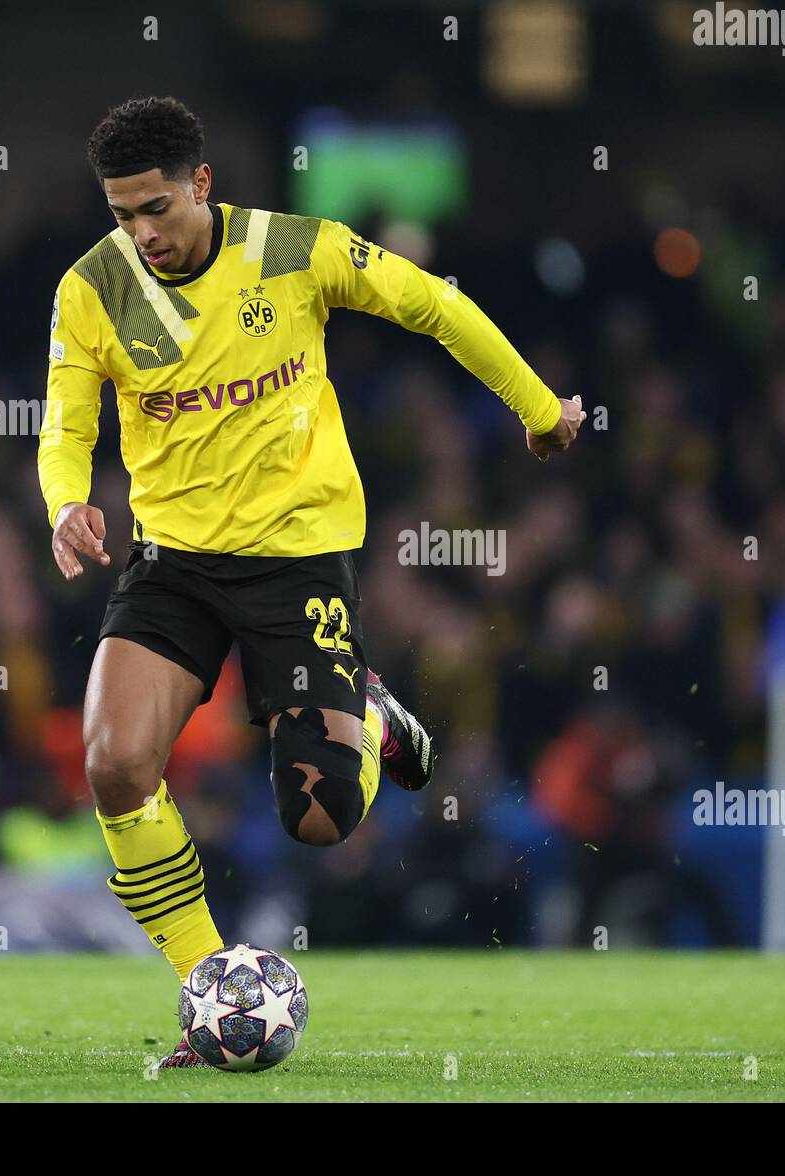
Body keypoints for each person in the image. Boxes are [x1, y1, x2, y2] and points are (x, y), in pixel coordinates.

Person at [37, 96, 585, 1066]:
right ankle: (211, 986)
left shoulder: (297, 251)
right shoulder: (91, 288)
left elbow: (435, 304)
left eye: (156, 207)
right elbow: (67, 418)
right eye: (122, 213)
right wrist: (66, 501)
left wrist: (537, 409)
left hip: (297, 560)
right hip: (171, 564)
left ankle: (368, 714)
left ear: (202, 183)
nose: (141, 232)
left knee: (322, 819)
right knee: (117, 764)